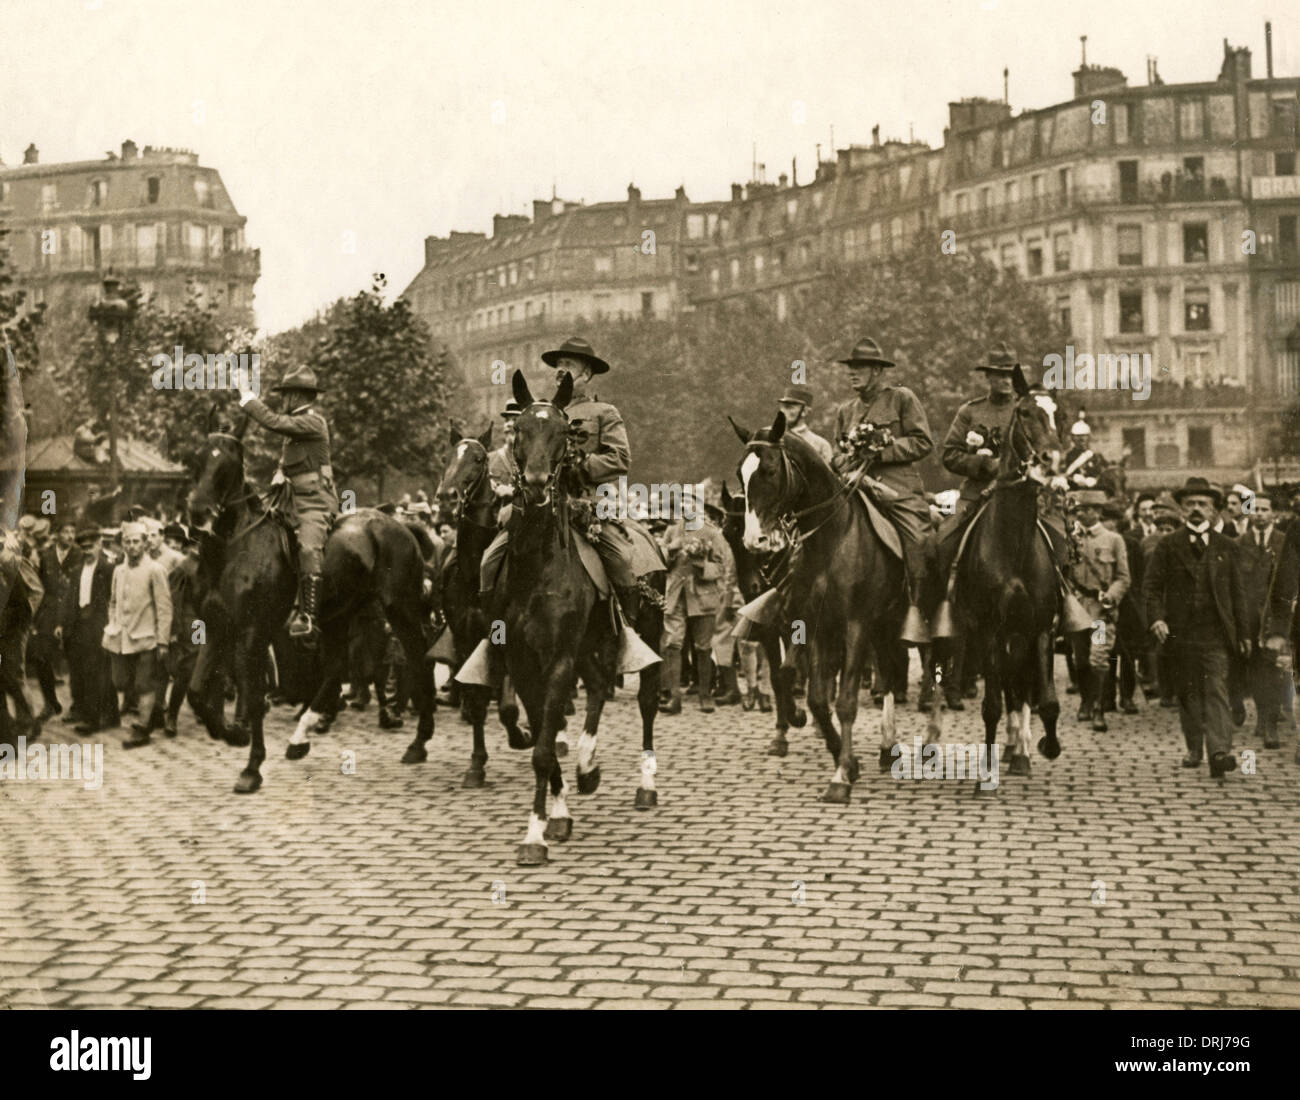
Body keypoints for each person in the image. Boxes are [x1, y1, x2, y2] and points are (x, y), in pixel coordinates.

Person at [481, 337, 663, 629]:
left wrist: (582, 465)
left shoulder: (605, 412)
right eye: (558, 365)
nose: (560, 370)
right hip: (539, 505)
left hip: (588, 506)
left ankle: (624, 635)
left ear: (586, 374)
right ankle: (493, 637)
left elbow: (620, 459)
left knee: (622, 564)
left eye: (568, 364)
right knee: (489, 559)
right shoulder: (543, 413)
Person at [1144, 477, 1250, 778]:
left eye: (1203, 504)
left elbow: (1238, 594)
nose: (1196, 510)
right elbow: (1151, 588)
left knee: (1216, 688)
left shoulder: (1227, 547)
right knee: (1189, 692)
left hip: (1216, 633)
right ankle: (1194, 747)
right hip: (1180, 633)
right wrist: (1156, 618)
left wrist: (1243, 634)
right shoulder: (1168, 545)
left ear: (1214, 510)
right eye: (1190, 504)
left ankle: (1219, 751)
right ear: (1181, 510)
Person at [831, 336, 934, 640]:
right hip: (854, 487)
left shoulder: (901, 398)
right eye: (850, 368)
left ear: (876, 371)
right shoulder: (845, 411)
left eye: (859, 368)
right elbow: (836, 454)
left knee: (918, 541)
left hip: (897, 490)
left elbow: (923, 442)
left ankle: (918, 607)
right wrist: (846, 464)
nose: (852, 373)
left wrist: (882, 450)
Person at [237, 365, 338, 641]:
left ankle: (308, 617)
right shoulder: (297, 428)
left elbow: (274, 422)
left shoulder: (312, 422)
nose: (283, 400)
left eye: (286, 395)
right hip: (290, 500)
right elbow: (290, 456)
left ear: (297, 397)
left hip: (314, 503)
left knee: (307, 547)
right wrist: (281, 471)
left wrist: (248, 397)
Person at [102, 521, 172, 749]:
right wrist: (113, 624)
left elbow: (164, 607)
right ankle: (154, 712)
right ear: (123, 545)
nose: (131, 546)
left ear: (145, 544)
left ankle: (142, 728)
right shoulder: (119, 571)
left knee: (144, 684)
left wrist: (162, 641)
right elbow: (112, 602)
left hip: (147, 638)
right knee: (120, 681)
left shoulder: (155, 570)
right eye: (127, 542)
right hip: (121, 638)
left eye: (136, 542)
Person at [1067, 491, 1131, 731]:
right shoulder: (1069, 539)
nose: (1082, 513)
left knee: (1099, 658)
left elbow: (1123, 577)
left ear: (1098, 512)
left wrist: (1111, 596)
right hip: (1076, 611)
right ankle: (1086, 700)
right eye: (1079, 510)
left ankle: (1098, 708)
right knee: (1080, 660)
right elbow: (1064, 574)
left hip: (1101, 613)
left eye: (1088, 509)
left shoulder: (1113, 539)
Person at [940, 343, 1021, 522]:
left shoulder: (1025, 412)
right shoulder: (970, 411)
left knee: (1058, 539)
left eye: (1011, 375)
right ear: (988, 376)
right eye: (1001, 375)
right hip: (976, 495)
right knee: (944, 541)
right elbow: (949, 455)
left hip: (1018, 496)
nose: (1007, 381)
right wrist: (982, 463)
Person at [659, 512, 730, 715]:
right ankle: (674, 697)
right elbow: (659, 561)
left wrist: (701, 564)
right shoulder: (672, 530)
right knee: (673, 643)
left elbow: (720, 567)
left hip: (702, 596)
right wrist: (671, 552)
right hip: (676, 596)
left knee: (703, 646)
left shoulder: (712, 533)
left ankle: (705, 695)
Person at [1239, 493, 1286, 749]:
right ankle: (1261, 716)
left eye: (1264, 509)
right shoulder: (1239, 543)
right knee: (1256, 668)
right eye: (1255, 509)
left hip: (1277, 618)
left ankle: (1270, 725)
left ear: (1273, 514)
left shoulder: (1285, 542)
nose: (1259, 514)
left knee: (1274, 668)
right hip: (1249, 618)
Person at [67, 523, 116, 734]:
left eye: (91, 547)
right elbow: (70, 599)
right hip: (80, 625)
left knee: (98, 671)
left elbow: (113, 599)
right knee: (85, 670)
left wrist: (111, 625)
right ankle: (106, 715)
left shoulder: (107, 568)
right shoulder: (77, 570)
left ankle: (94, 719)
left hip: (100, 625)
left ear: (99, 545)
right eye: (84, 548)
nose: (88, 551)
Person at [32, 517, 79, 721]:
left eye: (72, 532)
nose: (69, 536)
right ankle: (50, 702)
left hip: (73, 614)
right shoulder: (46, 556)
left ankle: (79, 706)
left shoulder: (80, 555)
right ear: (57, 534)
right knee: (40, 657)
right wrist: (37, 615)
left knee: (77, 660)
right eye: (66, 531)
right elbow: (39, 586)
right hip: (49, 614)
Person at [775, 384, 833, 465]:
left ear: (804, 412)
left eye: (789, 407)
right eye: (782, 407)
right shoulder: (772, 439)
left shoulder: (821, 445)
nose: (782, 412)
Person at [1063, 413, 1107, 490]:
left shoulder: (1096, 456)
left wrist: (1095, 480)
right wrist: (1079, 480)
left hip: (1097, 493)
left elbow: (1104, 474)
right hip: (1076, 493)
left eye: (1084, 435)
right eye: (1078, 436)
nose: (1081, 439)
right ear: (1073, 438)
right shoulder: (1069, 456)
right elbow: (1067, 476)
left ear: (1088, 437)